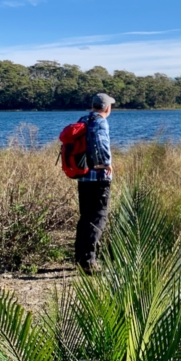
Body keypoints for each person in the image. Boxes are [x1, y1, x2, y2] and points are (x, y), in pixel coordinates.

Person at [74, 92, 115, 273]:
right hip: (98, 177)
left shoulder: (83, 119)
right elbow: (100, 142)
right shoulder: (100, 122)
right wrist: (106, 163)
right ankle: (89, 262)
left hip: (83, 176)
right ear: (107, 108)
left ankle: (80, 258)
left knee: (85, 217)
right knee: (98, 217)